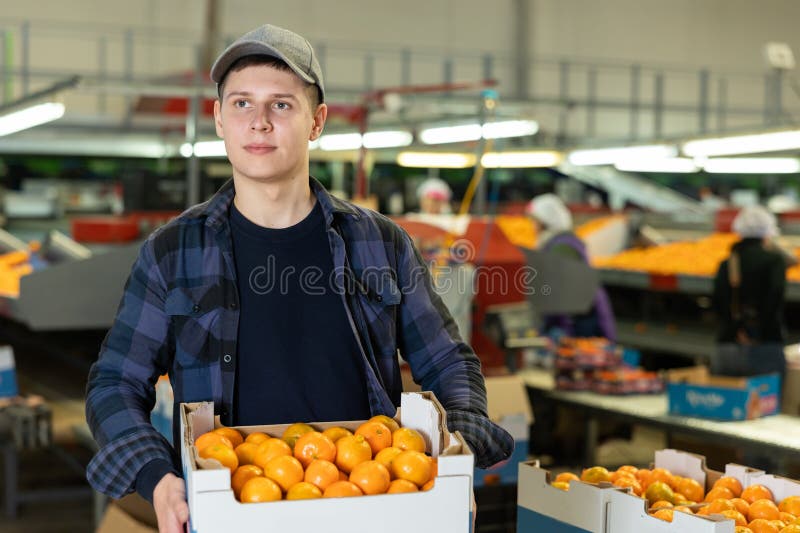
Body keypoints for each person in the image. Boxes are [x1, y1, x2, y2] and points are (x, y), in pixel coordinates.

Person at [85, 23, 512, 532]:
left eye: (282, 105)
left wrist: (454, 456)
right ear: (219, 118)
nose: (259, 122)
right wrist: (156, 476)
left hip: (371, 503)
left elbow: (447, 360)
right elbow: (114, 382)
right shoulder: (174, 250)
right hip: (232, 508)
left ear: (317, 121)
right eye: (241, 103)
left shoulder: (379, 242)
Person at [525, 193, 616, 341]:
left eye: (535, 221)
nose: (533, 227)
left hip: (584, 321)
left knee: (587, 356)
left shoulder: (562, 247)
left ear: (545, 222)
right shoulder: (559, 242)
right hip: (581, 315)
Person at [712, 205, 788, 378]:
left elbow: (718, 302)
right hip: (765, 345)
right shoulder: (774, 261)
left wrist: (737, 328)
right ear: (768, 232)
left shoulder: (728, 263)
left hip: (728, 345)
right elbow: (775, 297)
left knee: (730, 399)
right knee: (764, 402)